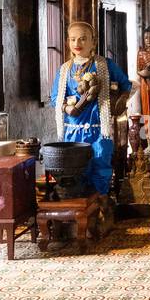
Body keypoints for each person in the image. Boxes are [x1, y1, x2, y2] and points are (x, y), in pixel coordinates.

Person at [50, 21, 131, 196]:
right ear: (68, 42)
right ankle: (81, 209)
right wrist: (66, 108)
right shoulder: (65, 70)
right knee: (76, 170)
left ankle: (100, 206)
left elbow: (126, 85)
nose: (77, 44)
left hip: (100, 129)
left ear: (93, 42)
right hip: (73, 130)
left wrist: (119, 102)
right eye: (73, 39)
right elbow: (55, 97)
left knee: (100, 166)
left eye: (83, 39)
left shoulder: (105, 65)